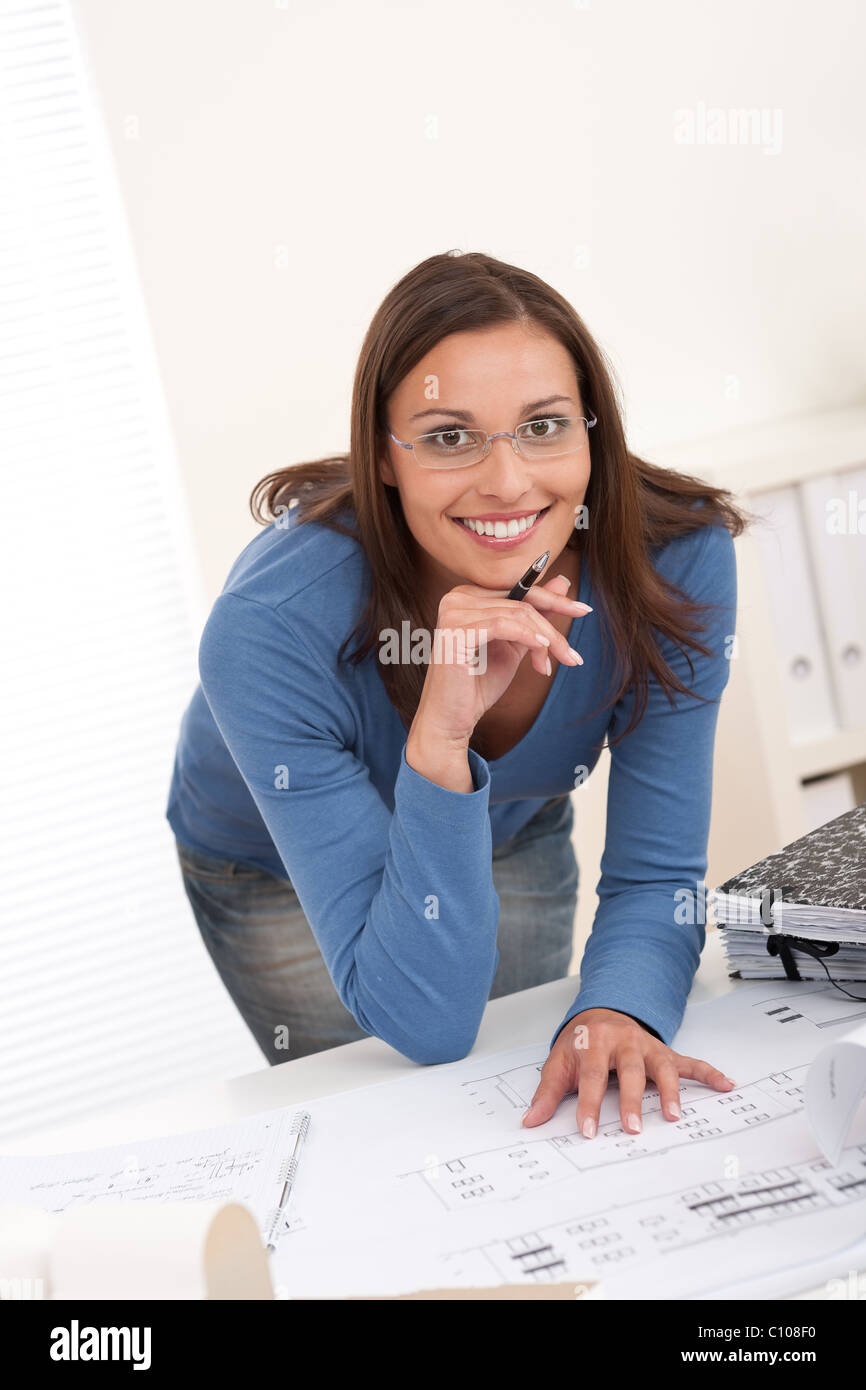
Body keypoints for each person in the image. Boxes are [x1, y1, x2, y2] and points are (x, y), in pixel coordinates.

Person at [166, 249, 748, 1141]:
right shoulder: (271, 625)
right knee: (402, 1122)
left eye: (545, 426)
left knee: (535, 1101)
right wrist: (440, 739)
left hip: (507, 825)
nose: (509, 483)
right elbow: (424, 1022)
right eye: (448, 436)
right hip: (275, 868)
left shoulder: (675, 564)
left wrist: (621, 1013)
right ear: (385, 456)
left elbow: (657, 879)